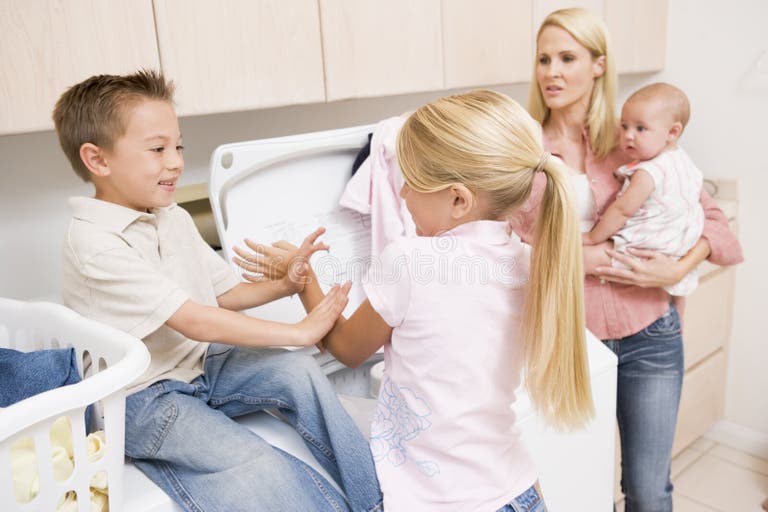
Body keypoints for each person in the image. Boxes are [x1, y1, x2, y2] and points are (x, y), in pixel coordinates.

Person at [236, 89, 591, 511]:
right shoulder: (532, 262)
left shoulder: (409, 260)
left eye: (412, 183)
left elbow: (347, 349)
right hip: (517, 490)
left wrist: (304, 279)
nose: (402, 195)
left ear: (458, 199)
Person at [53, 69, 383, 512]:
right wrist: (299, 331)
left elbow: (222, 297)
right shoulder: (93, 242)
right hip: (142, 398)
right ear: (98, 160)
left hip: (202, 363)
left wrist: (287, 283)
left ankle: (382, 502)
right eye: (157, 149)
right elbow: (192, 318)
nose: (175, 161)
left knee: (299, 372)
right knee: (258, 466)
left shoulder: (171, 217)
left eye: (178, 146)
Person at [521, 8, 743, 512]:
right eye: (543, 59)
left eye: (567, 58)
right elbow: (514, 246)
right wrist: (595, 258)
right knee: (572, 484)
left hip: (651, 335)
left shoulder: (636, 138)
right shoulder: (527, 149)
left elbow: (716, 227)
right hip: (571, 343)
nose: (551, 71)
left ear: (599, 65)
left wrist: (680, 268)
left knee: (647, 490)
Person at [582, 82, 704, 296]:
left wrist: (593, 238)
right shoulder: (682, 161)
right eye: (624, 126)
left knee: (579, 258)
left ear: (672, 132)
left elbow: (622, 210)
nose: (629, 135)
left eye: (640, 128)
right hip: (676, 247)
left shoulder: (648, 172)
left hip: (645, 253)